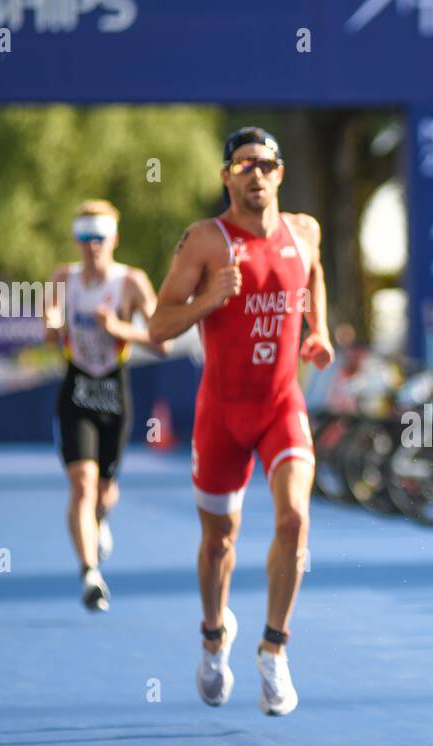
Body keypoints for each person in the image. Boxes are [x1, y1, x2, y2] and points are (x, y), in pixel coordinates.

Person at [149, 127, 334, 716]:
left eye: (266, 164)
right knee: (218, 540)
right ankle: (213, 638)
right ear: (226, 176)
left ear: (280, 173)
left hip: (281, 405)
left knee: (296, 518)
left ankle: (274, 650)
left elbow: (316, 274)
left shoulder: (304, 231)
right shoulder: (206, 241)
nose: (256, 173)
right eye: (243, 164)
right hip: (221, 414)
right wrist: (209, 301)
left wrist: (318, 330)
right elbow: (157, 326)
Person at [44, 200, 164, 612]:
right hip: (77, 389)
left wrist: (119, 328)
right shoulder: (63, 278)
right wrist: (54, 326)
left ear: (114, 238)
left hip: (115, 393)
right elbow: (50, 325)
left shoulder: (131, 282)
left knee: (105, 492)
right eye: (84, 237)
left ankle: (100, 518)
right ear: (75, 240)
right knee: (81, 483)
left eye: (99, 237)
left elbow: (162, 340)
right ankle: (90, 575)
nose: (92, 246)